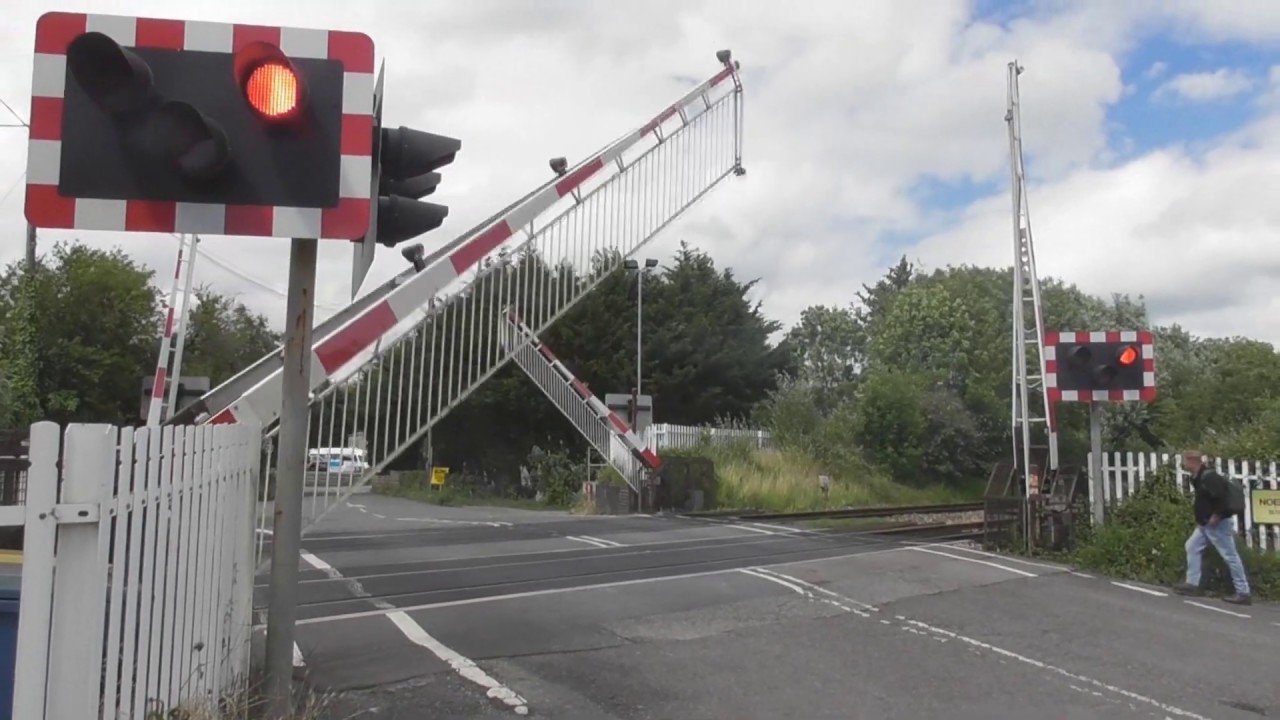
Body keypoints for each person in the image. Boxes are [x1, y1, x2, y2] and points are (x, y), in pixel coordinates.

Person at [1172, 452, 1251, 605]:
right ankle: (1192, 584)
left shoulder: (1209, 477)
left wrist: (1217, 515)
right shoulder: (1197, 477)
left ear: (1192, 461)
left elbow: (1222, 499)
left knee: (1230, 555)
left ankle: (1243, 592)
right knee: (1192, 546)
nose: (1183, 465)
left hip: (1217, 524)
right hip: (1205, 524)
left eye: (1185, 461)